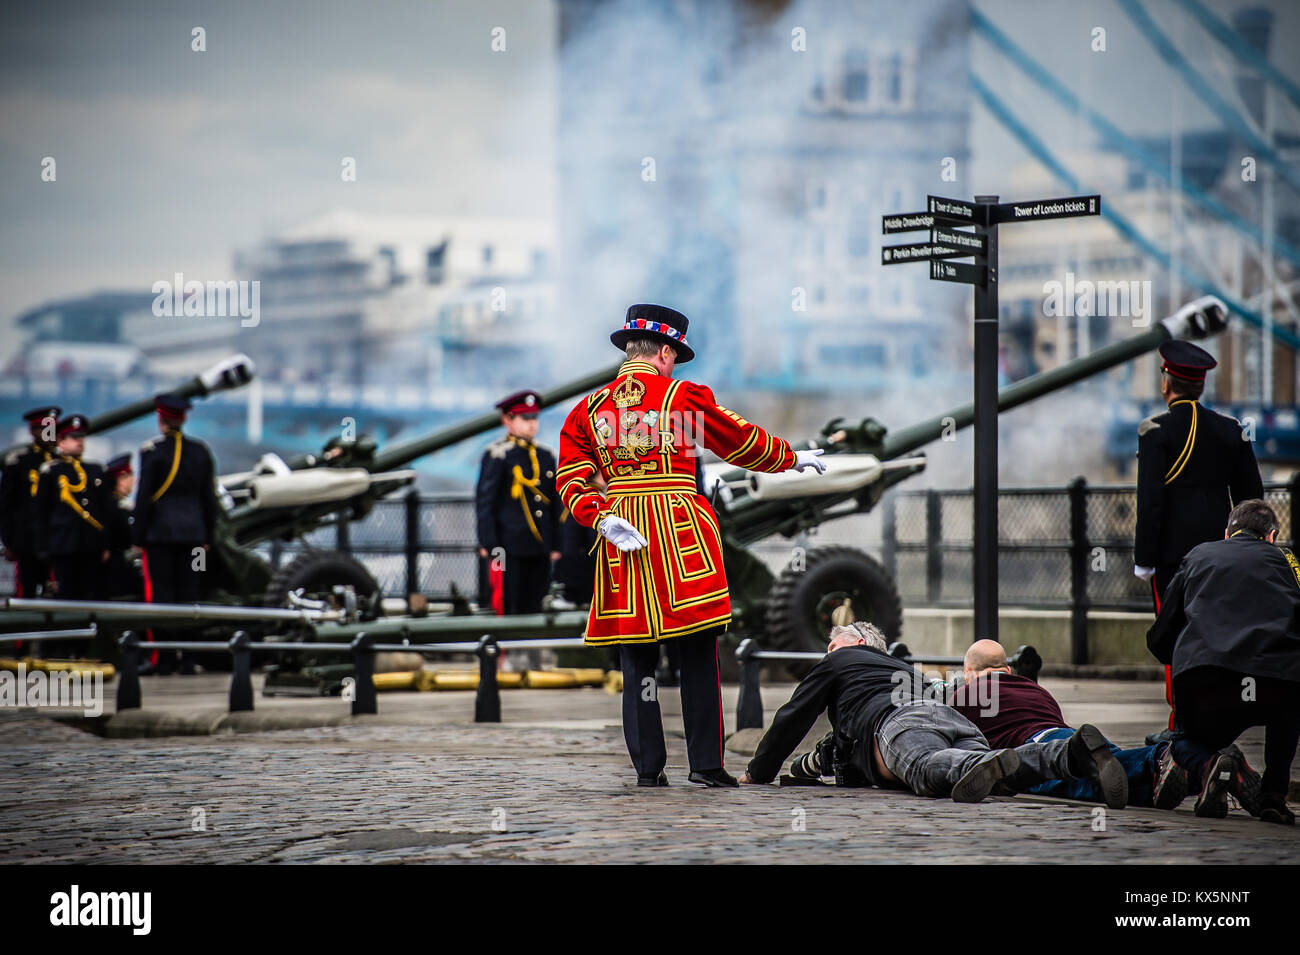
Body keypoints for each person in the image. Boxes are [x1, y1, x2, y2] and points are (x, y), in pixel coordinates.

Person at [559, 302, 829, 788]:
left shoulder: (589, 408)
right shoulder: (682, 396)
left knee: (637, 659)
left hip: (624, 537)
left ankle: (648, 770)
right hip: (678, 533)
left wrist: (600, 519)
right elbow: (738, 440)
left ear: (629, 350)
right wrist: (791, 457)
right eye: (674, 357)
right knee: (698, 654)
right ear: (665, 352)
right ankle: (705, 765)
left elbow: (570, 478)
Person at [740, 622, 1127, 803]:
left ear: (855, 642)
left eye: (833, 645)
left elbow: (793, 715)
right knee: (1001, 771)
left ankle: (976, 767)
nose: (829, 652)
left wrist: (758, 772)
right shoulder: (904, 670)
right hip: (952, 721)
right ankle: (1069, 753)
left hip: (900, 724)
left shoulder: (841, 660)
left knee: (927, 767)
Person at [1134, 339, 1262, 727]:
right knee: (1217, 632)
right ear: (1200, 385)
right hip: (1222, 553)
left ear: (1166, 382)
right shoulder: (1232, 431)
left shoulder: (1155, 431)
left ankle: (1182, 720)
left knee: (1176, 634)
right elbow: (1251, 499)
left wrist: (1144, 559)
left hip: (1174, 558)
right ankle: (1217, 713)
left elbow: (1151, 503)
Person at [1147, 499, 1299, 824]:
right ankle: (1273, 797)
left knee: (1188, 738)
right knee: (1289, 706)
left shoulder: (1199, 554)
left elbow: (1160, 636)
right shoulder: (1289, 561)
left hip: (1203, 677)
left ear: (1227, 534)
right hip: (1269, 681)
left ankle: (1205, 764)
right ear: (1271, 537)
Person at [949, 639, 1164, 808]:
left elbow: (952, 744)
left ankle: (1160, 757)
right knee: (1111, 770)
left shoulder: (965, 695)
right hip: (1069, 734)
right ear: (1007, 670)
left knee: (1075, 784)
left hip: (1038, 749)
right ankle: (1167, 782)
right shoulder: (1038, 690)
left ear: (968, 672)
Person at [475, 389, 564, 669]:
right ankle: (507, 657)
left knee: (536, 601)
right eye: (525, 418)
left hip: (538, 546)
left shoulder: (546, 455)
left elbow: (554, 505)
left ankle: (532, 656)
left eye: (534, 418)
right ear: (508, 420)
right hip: (507, 547)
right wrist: (490, 545)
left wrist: (555, 545)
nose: (532, 424)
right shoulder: (498, 455)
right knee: (507, 603)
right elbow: (486, 503)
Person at [132, 394, 220, 675]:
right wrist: (208, 537)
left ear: (161, 419)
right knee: (191, 596)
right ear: (183, 418)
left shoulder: (152, 451)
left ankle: (162, 658)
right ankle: (189, 658)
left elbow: (144, 498)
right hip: (195, 539)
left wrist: (137, 537)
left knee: (161, 596)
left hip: (160, 537)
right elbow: (210, 499)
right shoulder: (201, 451)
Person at [35, 414, 110, 603]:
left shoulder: (94, 470)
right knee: (65, 594)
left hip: (91, 544)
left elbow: (104, 509)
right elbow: (41, 512)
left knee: (91, 594)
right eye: (74, 438)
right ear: (61, 440)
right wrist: (43, 547)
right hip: (63, 545)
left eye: (81, 437)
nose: (80, 442)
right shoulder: (51, 471)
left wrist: (106, 543)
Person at [1, 405, 61, 598]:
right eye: (45, 429)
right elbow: (7, 504)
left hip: (54, 537)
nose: (50, 434)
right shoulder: (20, 462)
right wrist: (8, 541)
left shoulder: (60, 463)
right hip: (26, 538)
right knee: (26, 588)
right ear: (33, 431)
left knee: (56, 587)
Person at [102, 453, 142, 600]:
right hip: (117, 571)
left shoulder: (114, 505)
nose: (134, 481)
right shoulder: (115, 508)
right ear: (122, 479)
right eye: (131, 477)